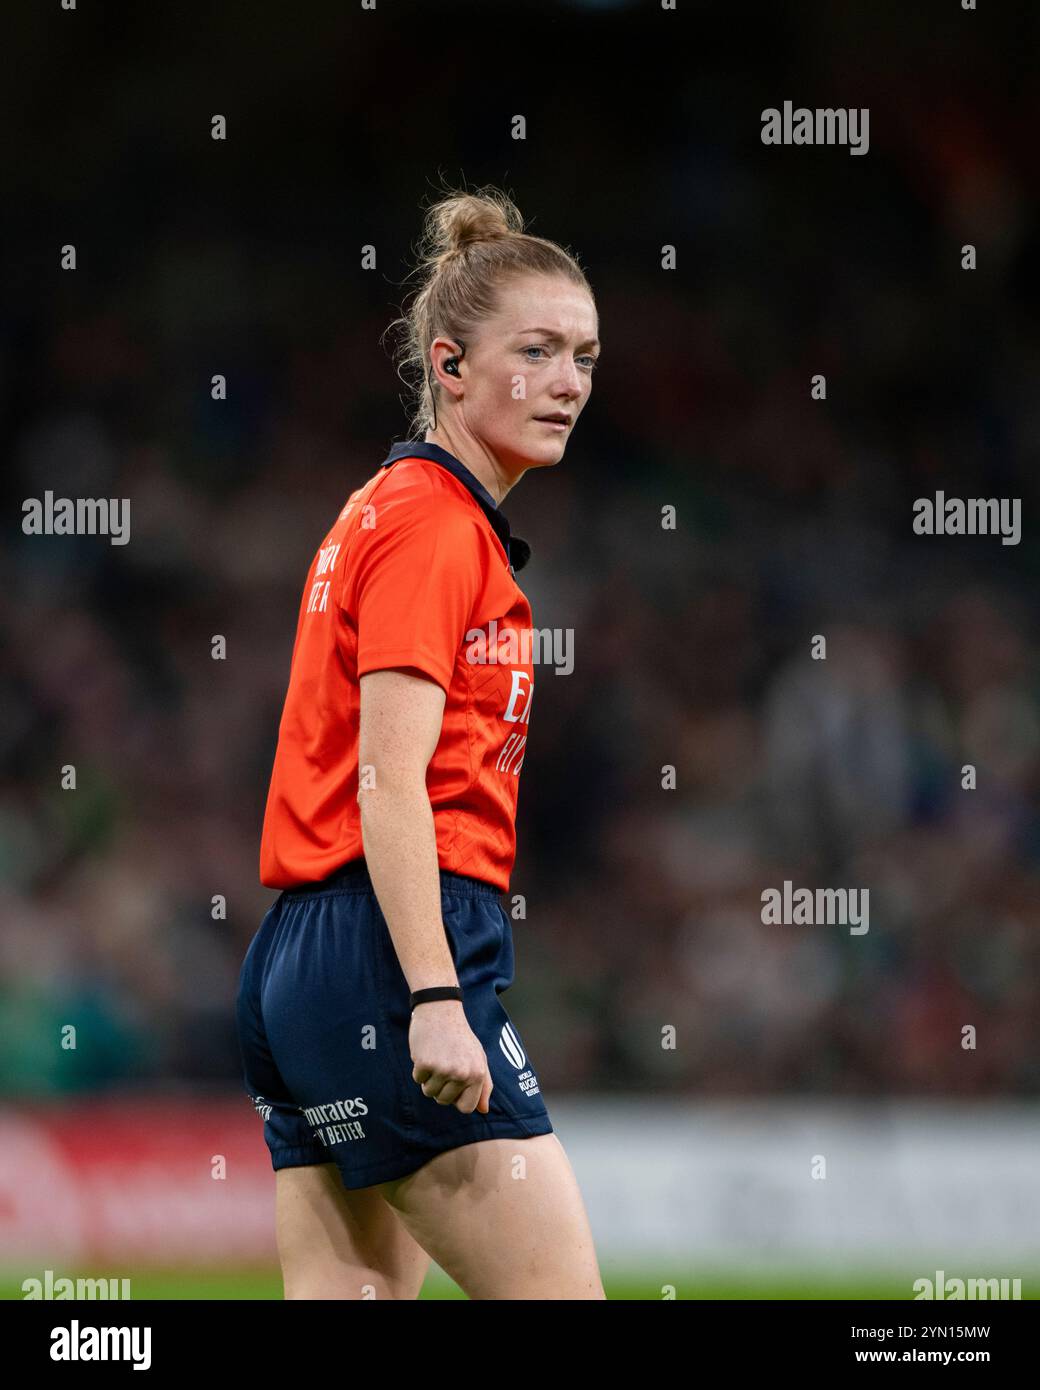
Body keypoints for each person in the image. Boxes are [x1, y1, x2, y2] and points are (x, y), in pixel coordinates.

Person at [236, 185, 605, 1299]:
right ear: (448, 366)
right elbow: (387, 779)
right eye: (534, 351)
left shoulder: (380, 510)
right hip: (392, 952)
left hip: (306, 957)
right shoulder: (432, 525)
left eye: (583, 355)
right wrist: (437, 998)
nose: (567, 383)